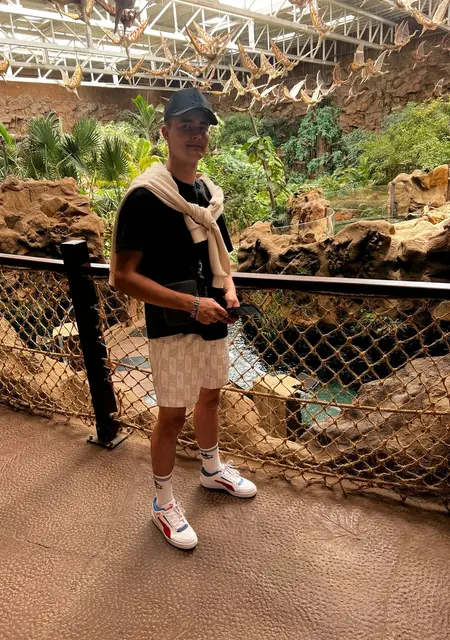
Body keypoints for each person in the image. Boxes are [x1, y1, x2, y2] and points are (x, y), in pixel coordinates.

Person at [109, 87, 257, 550]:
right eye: (186, 126)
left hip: (214, 315)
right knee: (172, 415)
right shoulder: (146, 196)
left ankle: (212, 470)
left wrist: (228, 291)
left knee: (210, 397)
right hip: (174, 321)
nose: (196, 135)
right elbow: (122, 277)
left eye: (203, 127)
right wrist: (191, 305)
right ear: (165, 132)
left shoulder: (208, 195)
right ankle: (163, 503)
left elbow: (221, 257)